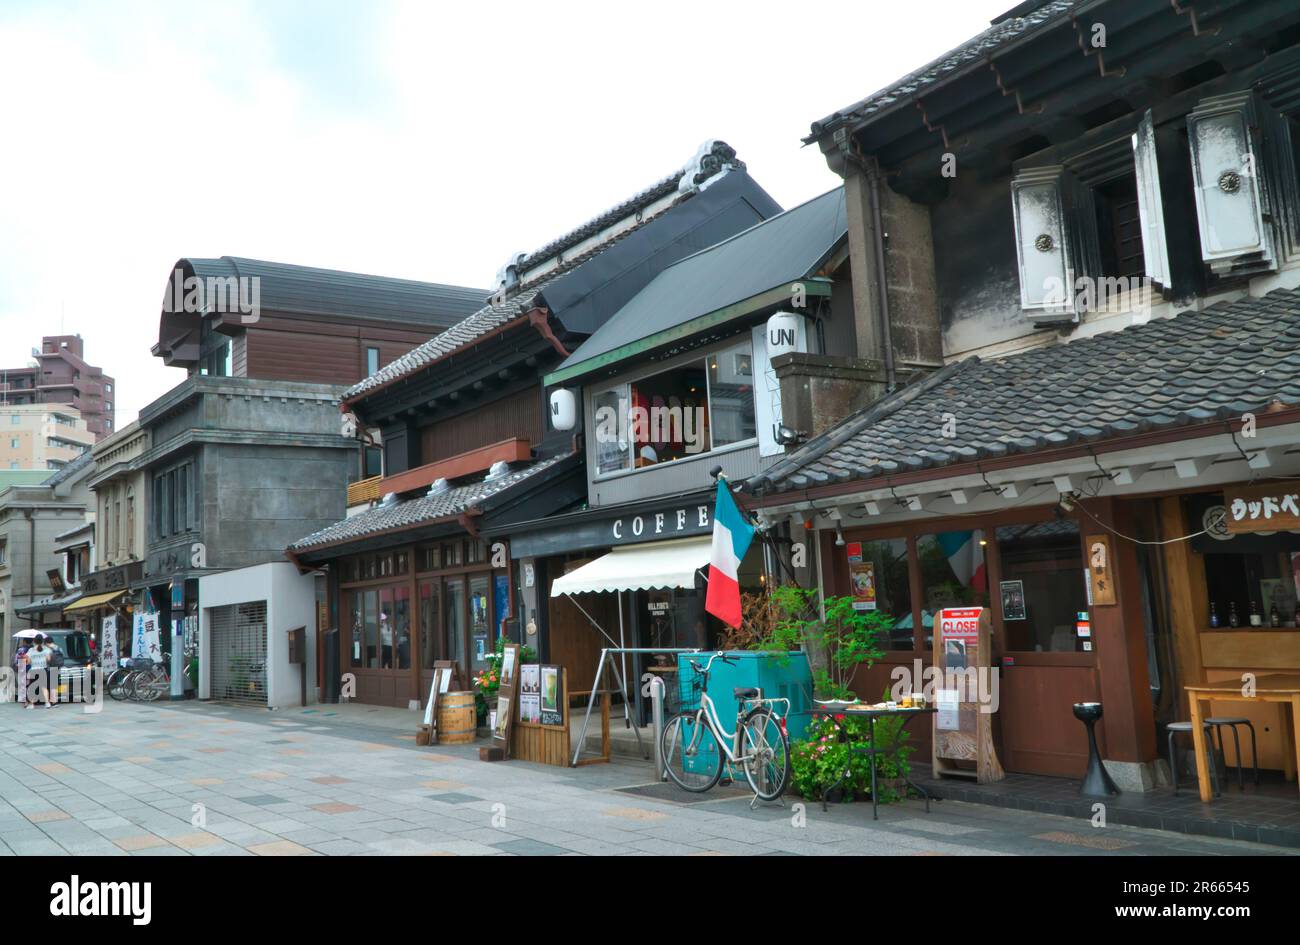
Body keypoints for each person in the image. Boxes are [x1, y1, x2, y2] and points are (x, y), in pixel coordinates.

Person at [25, 635, 54, 709]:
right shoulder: (46, 649)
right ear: (42, 641)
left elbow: (28, 662)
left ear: (34, 641)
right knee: (44, 687)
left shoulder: (31, 650)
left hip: (34, 670)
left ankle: (31, 704)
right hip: (43, 669)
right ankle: (47, 703)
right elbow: (48, 659)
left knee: (32, 688)